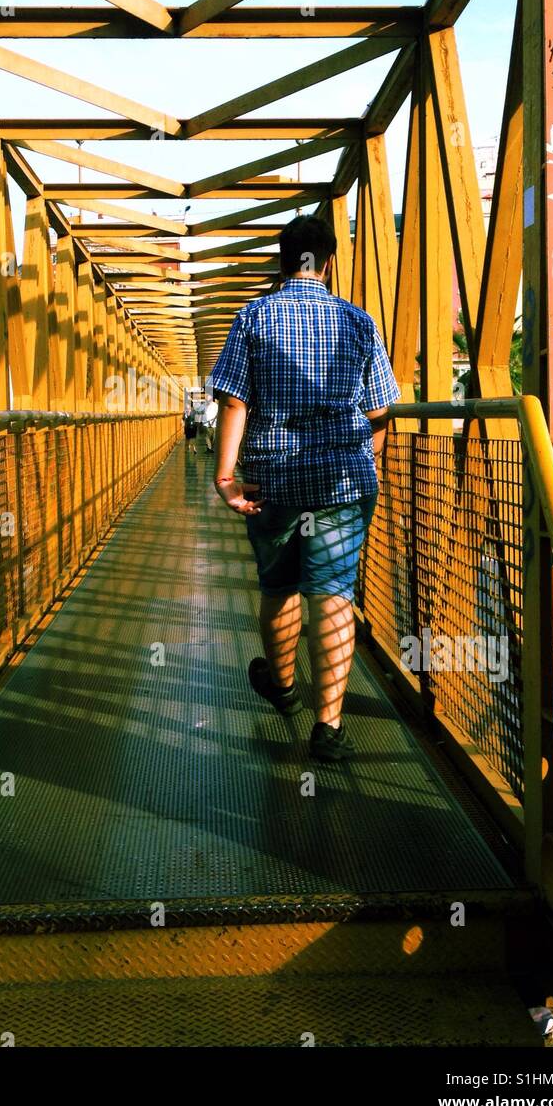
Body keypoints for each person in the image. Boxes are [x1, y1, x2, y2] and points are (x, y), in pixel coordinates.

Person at [209, 215, 400, 762]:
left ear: (281, 259)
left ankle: (284, 686)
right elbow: (380, 409)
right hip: (342, 481)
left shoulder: (253, 317)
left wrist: (225, 479)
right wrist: (364, 464)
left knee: (279, 585)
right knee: (334, 591)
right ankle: (330, 727)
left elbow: (234, 402)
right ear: (329, 260)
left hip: (272, 481)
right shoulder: (359, 322)